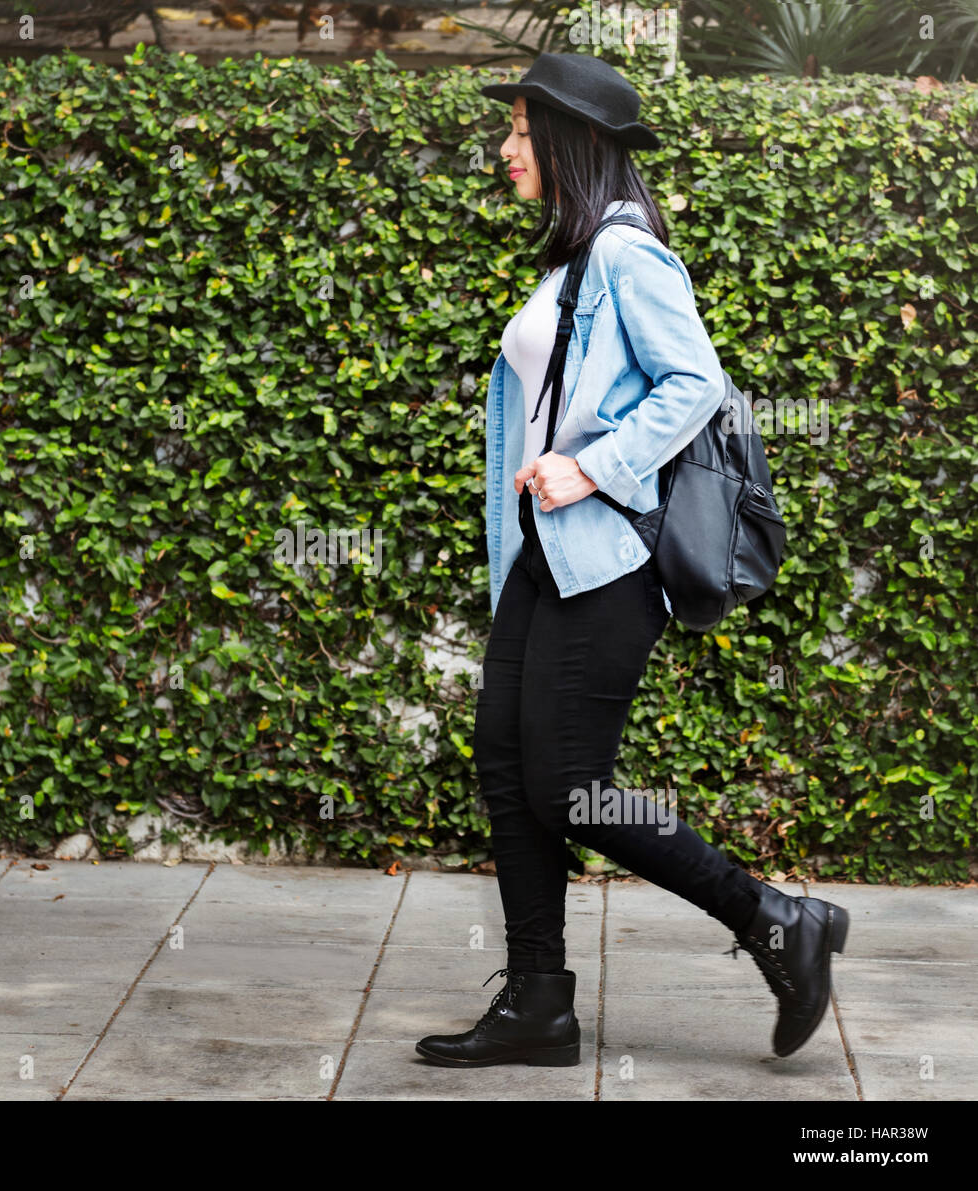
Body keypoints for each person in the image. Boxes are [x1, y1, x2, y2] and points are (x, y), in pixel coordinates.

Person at [415, 52, 849, 1068]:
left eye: (521, 131)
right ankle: (537, 1004)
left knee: (569, 785)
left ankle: (774, 921)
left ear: (569, 141)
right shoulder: (573, 258)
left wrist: (593, 468)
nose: (506, 148)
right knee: (507, 767)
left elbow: (692, 383)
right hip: (543, 558)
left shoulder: (625, 254)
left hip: (604, 559)